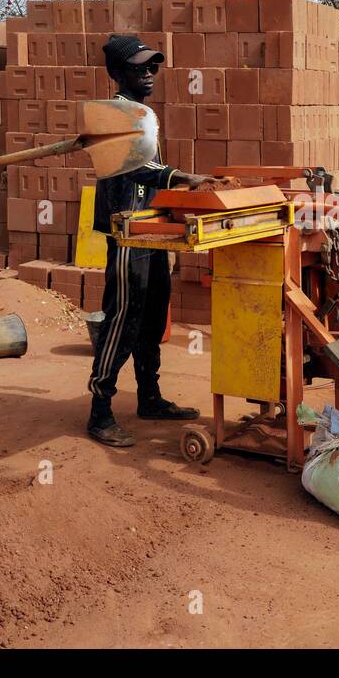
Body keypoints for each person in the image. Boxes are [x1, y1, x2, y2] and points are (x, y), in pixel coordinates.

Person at [86, 35, 215, 446]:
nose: (148, 73)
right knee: (123, 318)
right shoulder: (112, 115)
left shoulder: (142, 114)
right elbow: (137, 170)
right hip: (127, 232)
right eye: (139, 67)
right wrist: (183, 177)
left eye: (152, 66)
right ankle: (100, 410)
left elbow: (148, 168)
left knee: (156, 315)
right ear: (116, 73)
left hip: (153, 229)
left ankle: (150, 396)